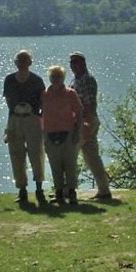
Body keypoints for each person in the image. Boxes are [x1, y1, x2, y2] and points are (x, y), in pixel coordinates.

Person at [3, 49, 46, 205]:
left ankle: (39, 188)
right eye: (19, 61)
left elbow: (43, 100)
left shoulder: (37, 80)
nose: (21, 63)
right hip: (15, 119)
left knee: (36, 153)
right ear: (15, 63)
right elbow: (8, 100)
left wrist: (38, 116)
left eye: (24, 60)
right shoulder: (9, 80)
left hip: (32, 119)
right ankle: (22, 189)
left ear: (30, 62)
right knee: (16, 154)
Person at [69, 51, 113, 201]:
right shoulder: (77, 79)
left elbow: (89, 103)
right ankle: (104, 190)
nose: (73, 65)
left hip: (85, 121)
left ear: (83, 63)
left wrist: (86, 123)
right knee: (92, 157)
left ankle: (67, 190)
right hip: (83, 121)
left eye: (76, 61)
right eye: (71, 62)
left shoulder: (86, 79)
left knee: (71, 155)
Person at [41, 64, 83, 204]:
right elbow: (39, 113)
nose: (56, 79)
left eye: (58, 77)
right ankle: (58, 192)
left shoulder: (70, 93)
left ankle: (72, 192)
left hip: (69, 133)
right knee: (55, 164)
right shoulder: (44, 94)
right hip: (50, 133)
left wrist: (77, 131)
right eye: (53, 77)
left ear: (63, 78)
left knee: (70, 164)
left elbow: (79, 112)